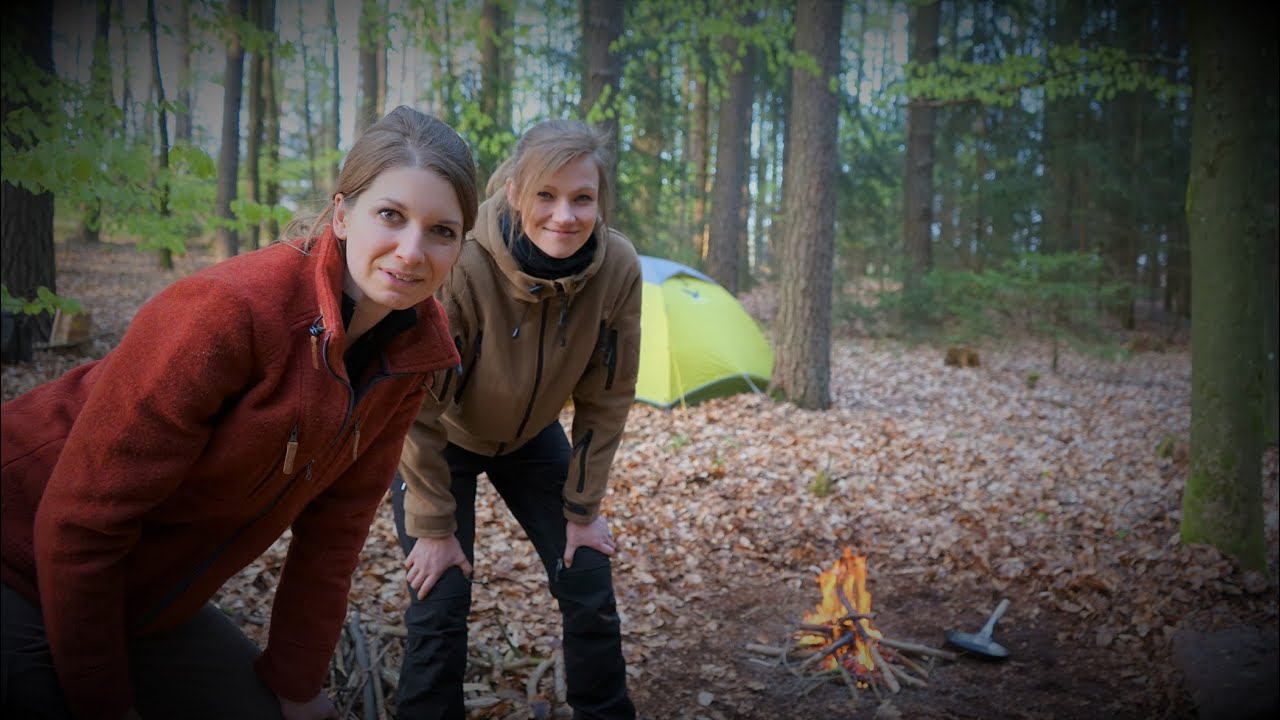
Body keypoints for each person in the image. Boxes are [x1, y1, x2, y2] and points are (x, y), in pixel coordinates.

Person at [0, 105, 478, 720]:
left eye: (442, 230)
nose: (412, 251)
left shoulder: (414, 352)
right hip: (21, 559)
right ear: (341, 214)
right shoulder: (227, 311)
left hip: (145, 596)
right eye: (391, 215)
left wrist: (298, 683)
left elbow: (335, 534)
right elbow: (77, 524)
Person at [393, 118, 641, 719]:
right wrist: (432, 528)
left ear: (600, 201)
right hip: (442, 436)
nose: (565, 216)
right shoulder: (465, 265)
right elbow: (413, 406)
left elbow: (607, 398)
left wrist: (582, 513)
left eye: (582, 198)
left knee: (588, 578)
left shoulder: (617, 270)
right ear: (514, 194)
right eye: (546, 196)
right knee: (440, 593)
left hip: (531, 438)